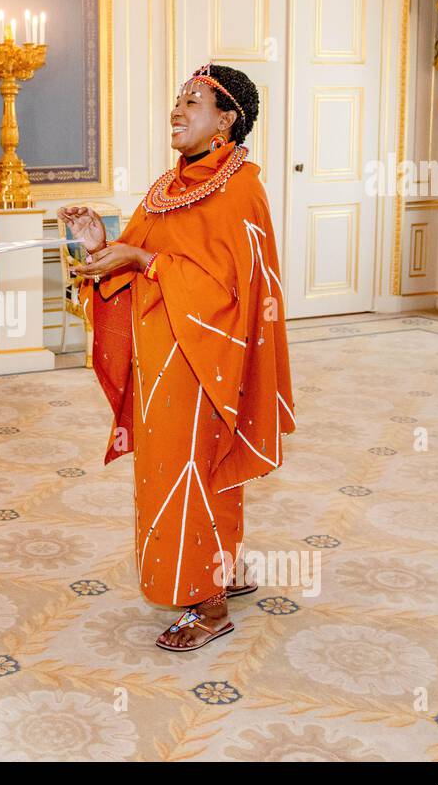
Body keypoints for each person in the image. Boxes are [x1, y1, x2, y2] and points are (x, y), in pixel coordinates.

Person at [59, 63, 295, 653]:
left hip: (207, 358)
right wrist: (98, 244)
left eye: (194, 101)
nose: (178, 109)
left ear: (227, 120)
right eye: (178, 99)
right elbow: (135, 252)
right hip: (160, 355)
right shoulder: (170, 185)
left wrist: (142, 262)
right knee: (171, 468)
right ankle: (224, 569)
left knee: (198, 467)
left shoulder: (240, 188)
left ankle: (209, 607)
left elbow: (233, 292)